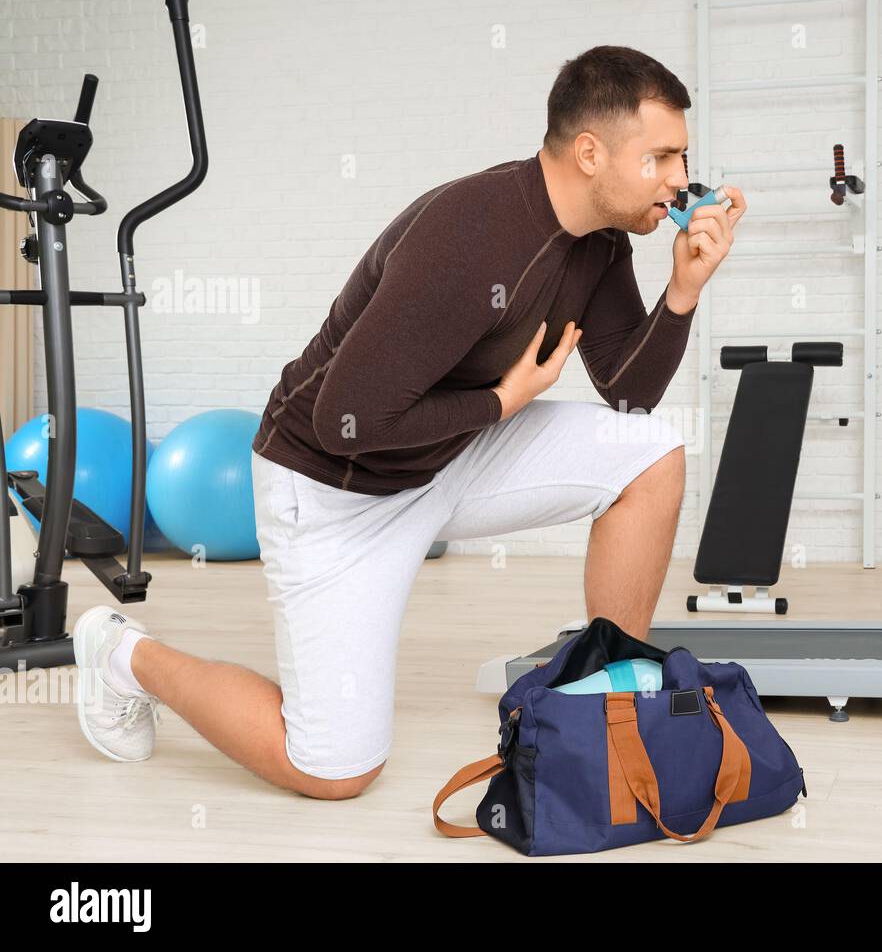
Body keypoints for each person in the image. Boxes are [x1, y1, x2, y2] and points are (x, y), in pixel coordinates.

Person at [70, 45, 746, 801]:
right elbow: (345, 422)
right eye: (661, 156)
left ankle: (616, 703)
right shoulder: (472, 236)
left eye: (682, 156)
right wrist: (501, 403)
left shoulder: (602, 242)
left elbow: (629, 395)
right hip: (334, 490)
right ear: (592, 153)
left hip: (446, 454)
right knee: (331, 771)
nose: (682, 179)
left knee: (649, 453)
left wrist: (682, 290)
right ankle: (122, 654)